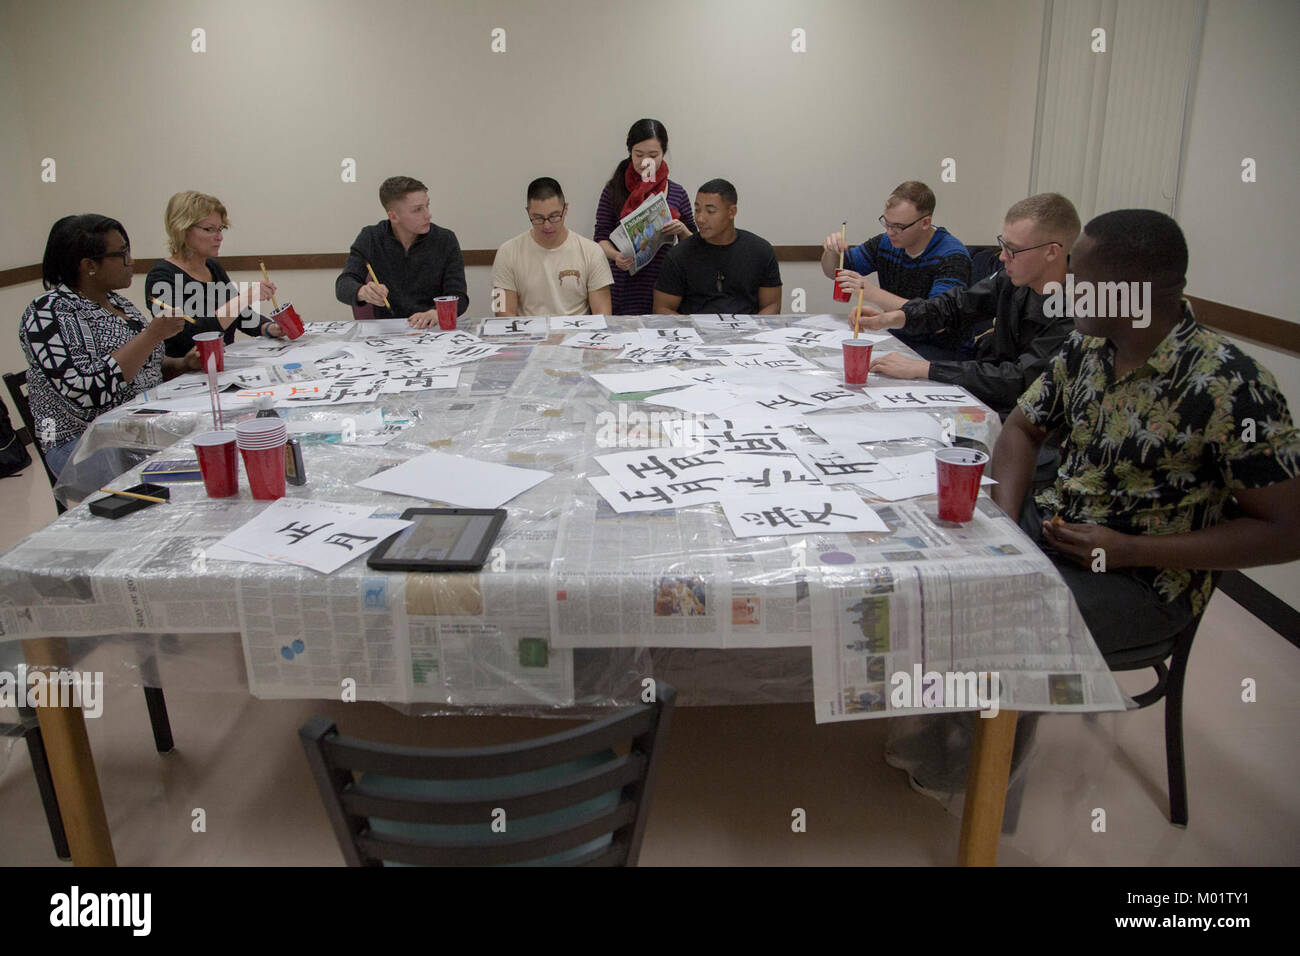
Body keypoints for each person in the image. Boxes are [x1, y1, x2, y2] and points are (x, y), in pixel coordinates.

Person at [992, 208, 1300, 656]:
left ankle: (985, 721)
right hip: (1053, 531)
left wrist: (1130, 550)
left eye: (1083, 284)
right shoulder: (1086, 347)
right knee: (948, 569)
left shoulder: (1231, 384)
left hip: (1140, 581)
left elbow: (1287, 531)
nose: (1065, 292)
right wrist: (1005, 528)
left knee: (986, 616)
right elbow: (1021, 429)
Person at [851, 193, 1080, 418]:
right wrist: (895, 317)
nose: (1002, 257)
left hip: (1027, 419)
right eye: (1003, 245)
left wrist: (925, 369)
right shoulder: (1012, 280)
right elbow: (956, 304)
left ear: (1051, 252)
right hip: (987, 395)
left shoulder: (1078, 309)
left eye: (1013, 249)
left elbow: (1019, 379)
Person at [19, 215, 193, 478]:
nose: (131, 262)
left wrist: (182, 364)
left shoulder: (119, 304)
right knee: (186, 471)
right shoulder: (48, 314)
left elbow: (148, 366)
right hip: (83, 443)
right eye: (122, 254)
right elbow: (89, 393)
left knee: (213, 437)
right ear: (89, 265)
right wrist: (151, 336)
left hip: (138, 427)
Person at [823, 181, 972, 360]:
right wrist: (832, 251)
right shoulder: (886, 243)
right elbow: (835, 272)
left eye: (899, 227)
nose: (891, 232)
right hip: (900, 339)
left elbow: (936, 319)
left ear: (925, 222)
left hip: (941, 351)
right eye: (887, 223)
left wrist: (873, 294)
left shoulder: (952, 256)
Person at [145, 191, 283, 357]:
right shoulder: (161, 276)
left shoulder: (212, 267)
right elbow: (190, 334)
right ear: (182, 229)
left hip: (223, 363)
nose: (219, 238)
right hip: (187, 372)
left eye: (221, 229)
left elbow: (241, 316)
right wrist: (246, 297)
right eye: (209, 229)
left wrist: (269, 328)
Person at [335, 176, 469, 328]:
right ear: (393, 216)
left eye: (427, 206)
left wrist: (436, 312)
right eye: (417, 210)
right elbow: (343, 285)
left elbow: (459, 296)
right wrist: (362, 291)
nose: (428, 215)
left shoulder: (445, 239)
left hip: (433, 328)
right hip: (388, 332)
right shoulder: (371, 238)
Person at [593, 119, 696, 315]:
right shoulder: (613, 189)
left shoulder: (676, 192)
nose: (645, 162)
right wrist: (616, 256)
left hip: (664, 284)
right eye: (638, 155)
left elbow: (694, 243)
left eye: (653, 155)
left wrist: (681, 230)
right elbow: (600, 237)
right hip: (621, 282)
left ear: (663, 154)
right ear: (629, 152)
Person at [653, 180, 782, 316]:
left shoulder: (760, 251)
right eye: (697, 210)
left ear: (732, 212)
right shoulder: (679, 255)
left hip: (746, 332)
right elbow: (663, 309)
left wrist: (752, 334)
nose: (700, 218)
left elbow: (771, 305)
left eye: (710, 211)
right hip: (695, 332)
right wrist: (692, 330)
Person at [491, 177, 613, 317]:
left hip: (577, 335)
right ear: (528, 212)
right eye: (538, 218)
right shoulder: (507, 252)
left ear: (565, 209)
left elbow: (603, 315)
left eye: (554, 216)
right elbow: (503, 314)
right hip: (528, 336)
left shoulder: (592, 252)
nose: (547, 225)